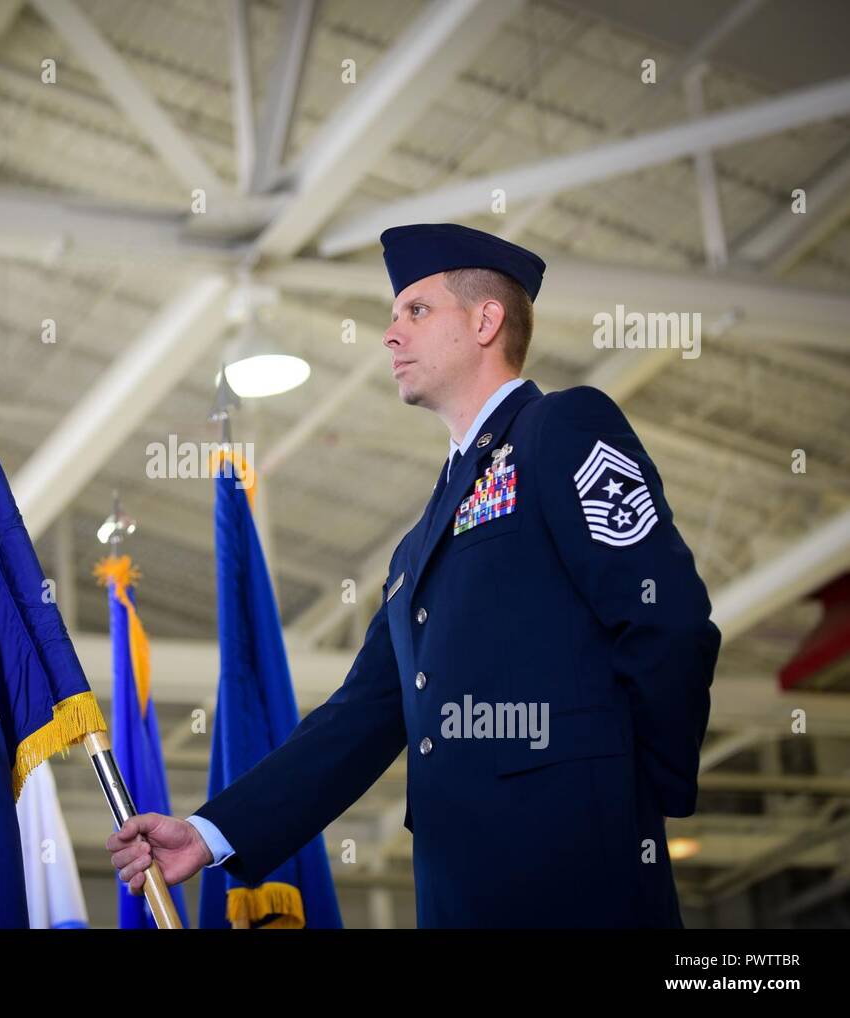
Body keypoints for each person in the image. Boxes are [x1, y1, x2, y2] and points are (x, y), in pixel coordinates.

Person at [106, 223, 719, 927]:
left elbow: (664, 616)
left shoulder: (563, 427)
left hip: (577, 879)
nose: (391, 335)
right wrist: (213, 832)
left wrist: (635, 794)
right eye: (393, 316)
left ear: (487, 320)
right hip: (458, 895)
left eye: (417, 311)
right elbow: (359, 717)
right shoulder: (417, 546)